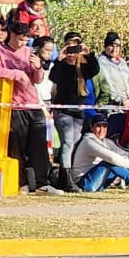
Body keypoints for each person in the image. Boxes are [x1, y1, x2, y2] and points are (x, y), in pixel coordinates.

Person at [0, 20, 62, 194]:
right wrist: (17, 74)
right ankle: (21, 182)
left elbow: (37, 79)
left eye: (25, 40)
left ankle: (42, 183)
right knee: (18, 147)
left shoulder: (29, 51)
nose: (22, 44)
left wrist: (37, 67)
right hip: (13, 106)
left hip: (32, 103)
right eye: (20, 40)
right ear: (11, 35)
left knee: (39, 146)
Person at [49, 34, 100, 191]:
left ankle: (67, 176)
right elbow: (53, 77)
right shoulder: (62, 66)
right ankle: (66, 180)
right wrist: (59, 58)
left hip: (78, 111)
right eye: (69, 49)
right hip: (63, 110)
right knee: (67, 143)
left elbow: (95, 69)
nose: (72, 53)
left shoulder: (82, 67)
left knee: (74, 143)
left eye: (75, 49)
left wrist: (88, 53)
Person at [73, 117, 129, 193]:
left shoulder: (106, 142)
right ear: (91, 128)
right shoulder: (88, 142)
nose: (101, 130)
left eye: (104, 126)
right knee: (110, 162)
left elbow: (125, 153)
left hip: (98, 183)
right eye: (98, 126)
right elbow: (112, 157)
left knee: (122, 160)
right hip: (85, 183)